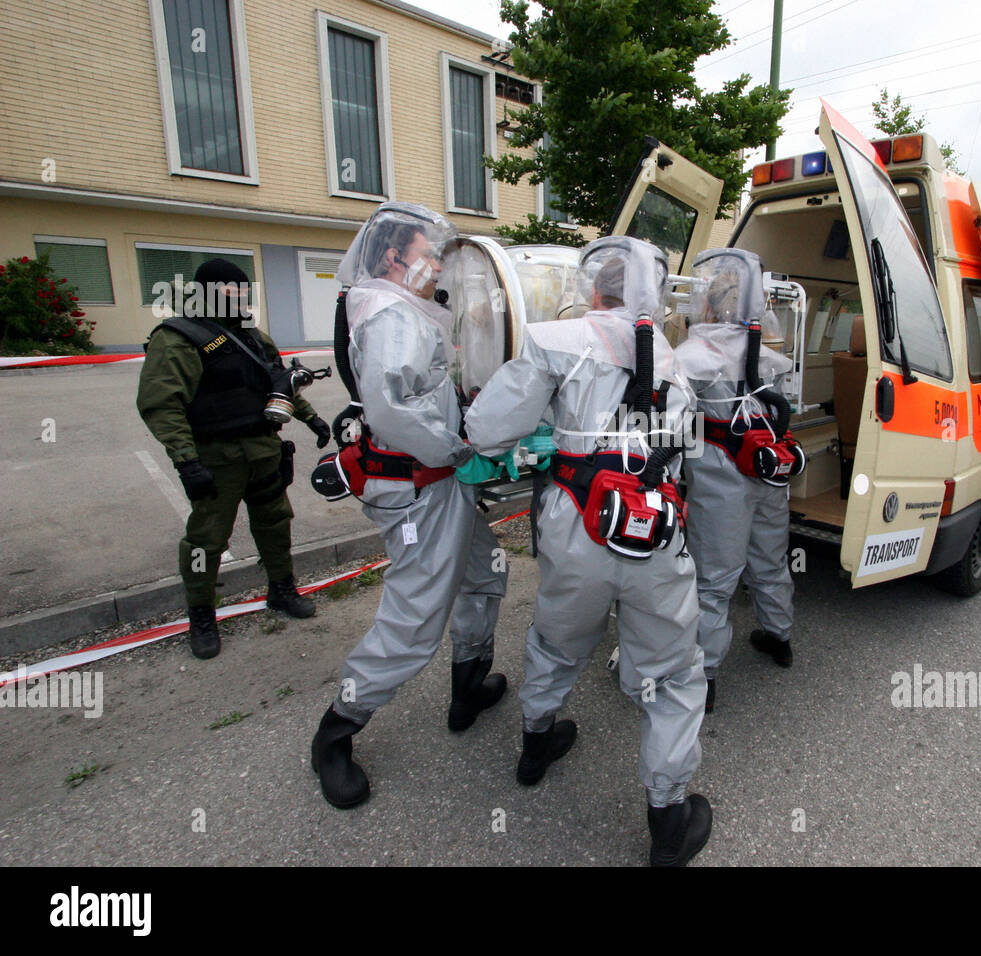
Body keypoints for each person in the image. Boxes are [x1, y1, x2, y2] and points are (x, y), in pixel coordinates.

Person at [465, 236, 712, 866]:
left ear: (592, 287)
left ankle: (535, 744)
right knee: (673, 675)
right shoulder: (680, 364)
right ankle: (666, 822)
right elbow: (691, 455)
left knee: (556, 639)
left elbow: (489, 429)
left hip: (575, 528)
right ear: (651, 293)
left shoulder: (554, 342)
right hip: (654, 532)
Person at [310, 202, 508, 810]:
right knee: (415, 620)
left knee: (484, 572)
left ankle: (468, 686)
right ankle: (337, 733)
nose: (437, 265)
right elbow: (394, 410)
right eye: (428, 254)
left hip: (443, 481)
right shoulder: (392, 315)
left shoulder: (405, 309)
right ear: (394, 256)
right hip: (423, 487)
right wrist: (460, 447)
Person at [137, 258, 329, 660]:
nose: (240, 296)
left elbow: (278, 384)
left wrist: (313, 420)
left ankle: (281, 588)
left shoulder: (254, 337)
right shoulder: (177, 338)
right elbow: (161, 405)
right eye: (230, 289)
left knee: (275, 522)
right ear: (206, 292)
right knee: (206, 540)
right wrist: (186, 462)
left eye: (243, 289)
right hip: (215, 458)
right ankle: (201, 615)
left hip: (264, 450)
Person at [674, 249, 799, 713]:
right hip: (770, 472)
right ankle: (778, 635)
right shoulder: (767, 357)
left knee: (715, 578)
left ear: (706, 303)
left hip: (721, 479)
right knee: (769, 559)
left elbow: (670, 421)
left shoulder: (692, 357)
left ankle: (704, 677)